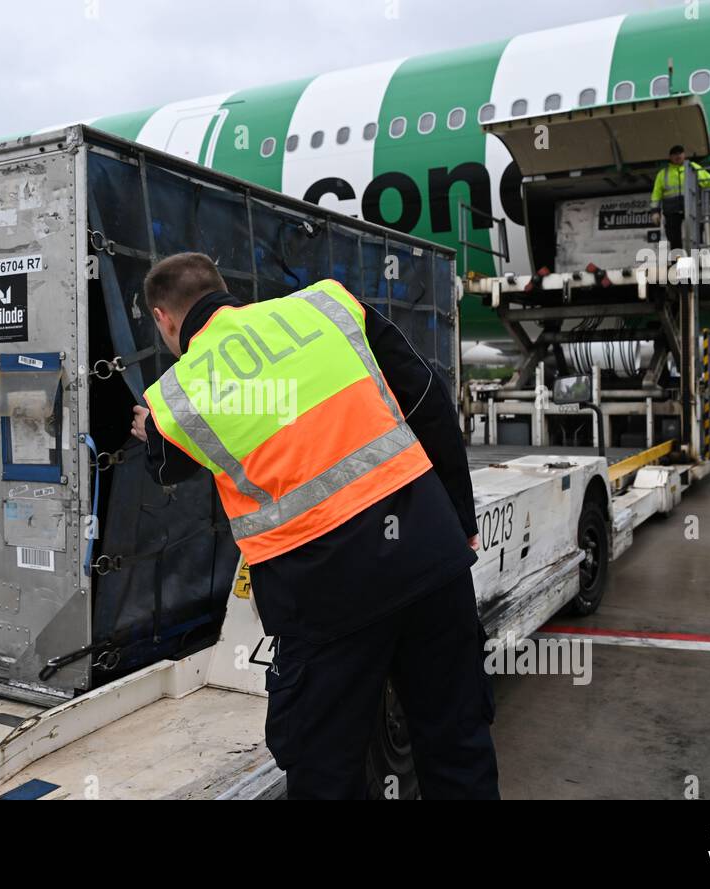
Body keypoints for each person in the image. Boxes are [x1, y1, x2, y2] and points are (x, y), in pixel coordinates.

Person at [129, 252, 499, 799]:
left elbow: (165, 464)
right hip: (427, 555)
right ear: (224, 288)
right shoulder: (327, 306)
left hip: (323, 596)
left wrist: (150, 429)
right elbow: (427, 399)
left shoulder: (178, 396)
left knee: (326, 771)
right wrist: (458, 519)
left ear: (164, 317)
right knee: (456, 743)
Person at [650, 144, 710, 250]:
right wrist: (655, 211)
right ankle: (677, 262)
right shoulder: (663, 174)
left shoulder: (693, 168)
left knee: (696, 236)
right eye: (675, 154)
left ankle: (697, 260)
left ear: (684, 155)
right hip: (672, 211)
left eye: (680, 153)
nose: (678, 156)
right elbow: (656, 194)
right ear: (670, 157)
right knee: (673, 238)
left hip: (692, 208)